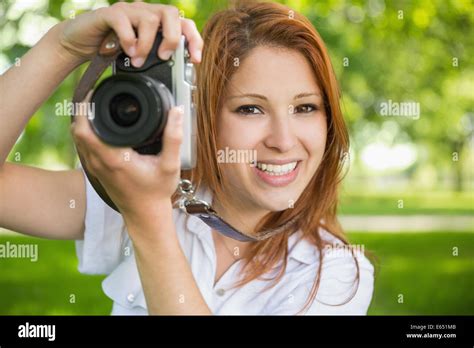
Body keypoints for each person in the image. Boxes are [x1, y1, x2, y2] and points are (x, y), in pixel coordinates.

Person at [0, 0, 374, 315]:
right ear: (203, 119)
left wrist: (147, 219)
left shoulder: (337, 274)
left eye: (305, 107)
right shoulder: (140, 189)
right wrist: (61, 47)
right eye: (249, 109)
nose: (282, 139)